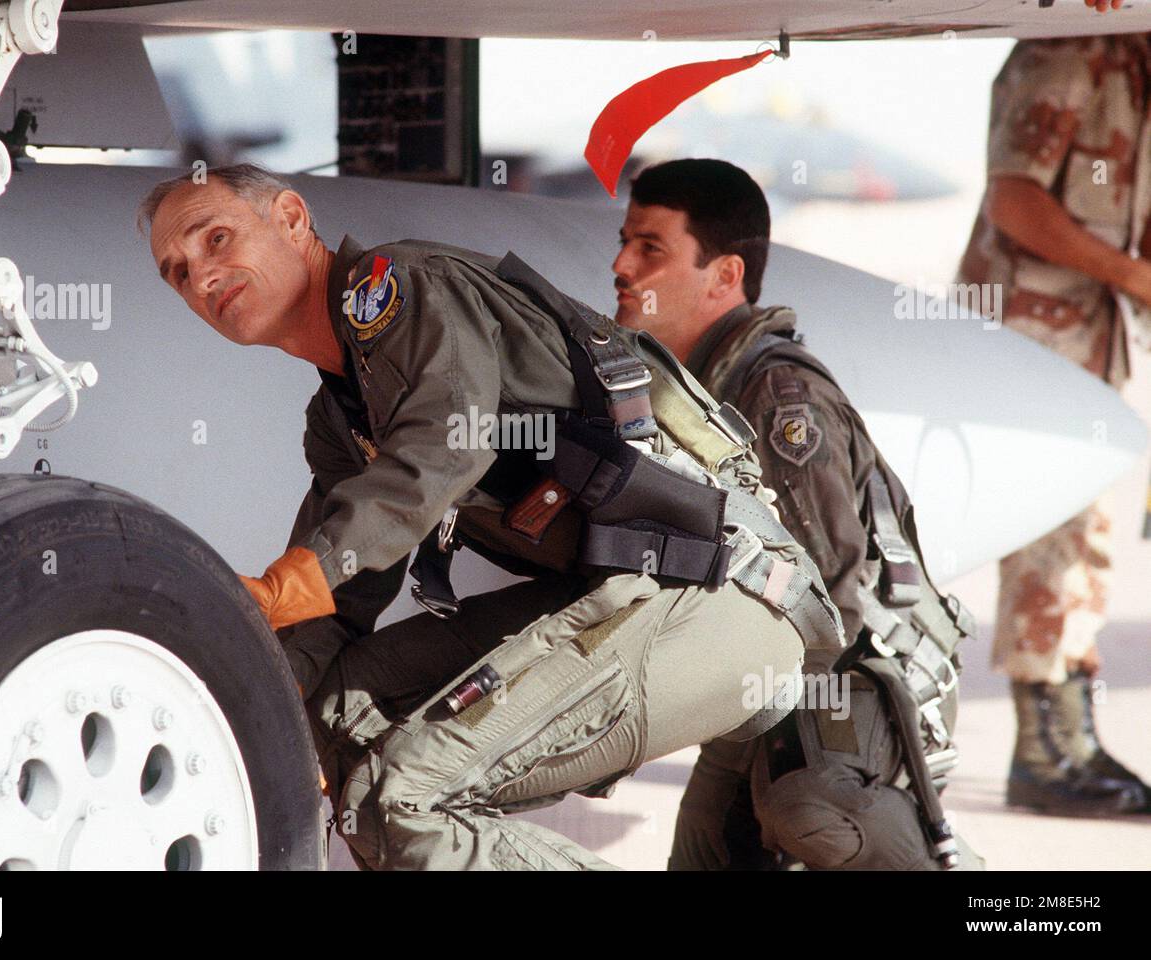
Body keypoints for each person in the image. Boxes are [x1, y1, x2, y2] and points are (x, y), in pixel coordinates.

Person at [139, 162, 844, 870]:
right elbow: (337, 595)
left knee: (405, 795)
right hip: (622, 596)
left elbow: (445, 444)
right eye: (176, 272)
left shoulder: (401, 293)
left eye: (217, 239)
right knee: (331, 714)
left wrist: (286, 585)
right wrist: (260, 685)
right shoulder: (339, 416)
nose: (200, 276)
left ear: (292, 218)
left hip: (720, 592)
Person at [614, 158, 979, 870]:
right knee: (705, 851)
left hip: (863, 677)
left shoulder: (778, 400)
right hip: (768, 663)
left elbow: (831, 605)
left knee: (806, 807)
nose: (621, 265)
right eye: (624, 240)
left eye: (649, 247)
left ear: (724, 277)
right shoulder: (690, 391)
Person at [957, 34, 1151, 816]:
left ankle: (1071, 739)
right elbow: (1016, 199)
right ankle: (1044, 756)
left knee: (1088, 535)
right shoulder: (1073, 44)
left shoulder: (1137, 63)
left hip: (1090, 338)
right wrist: (1133, 275)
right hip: (1028, 337)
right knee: (1052, 538)